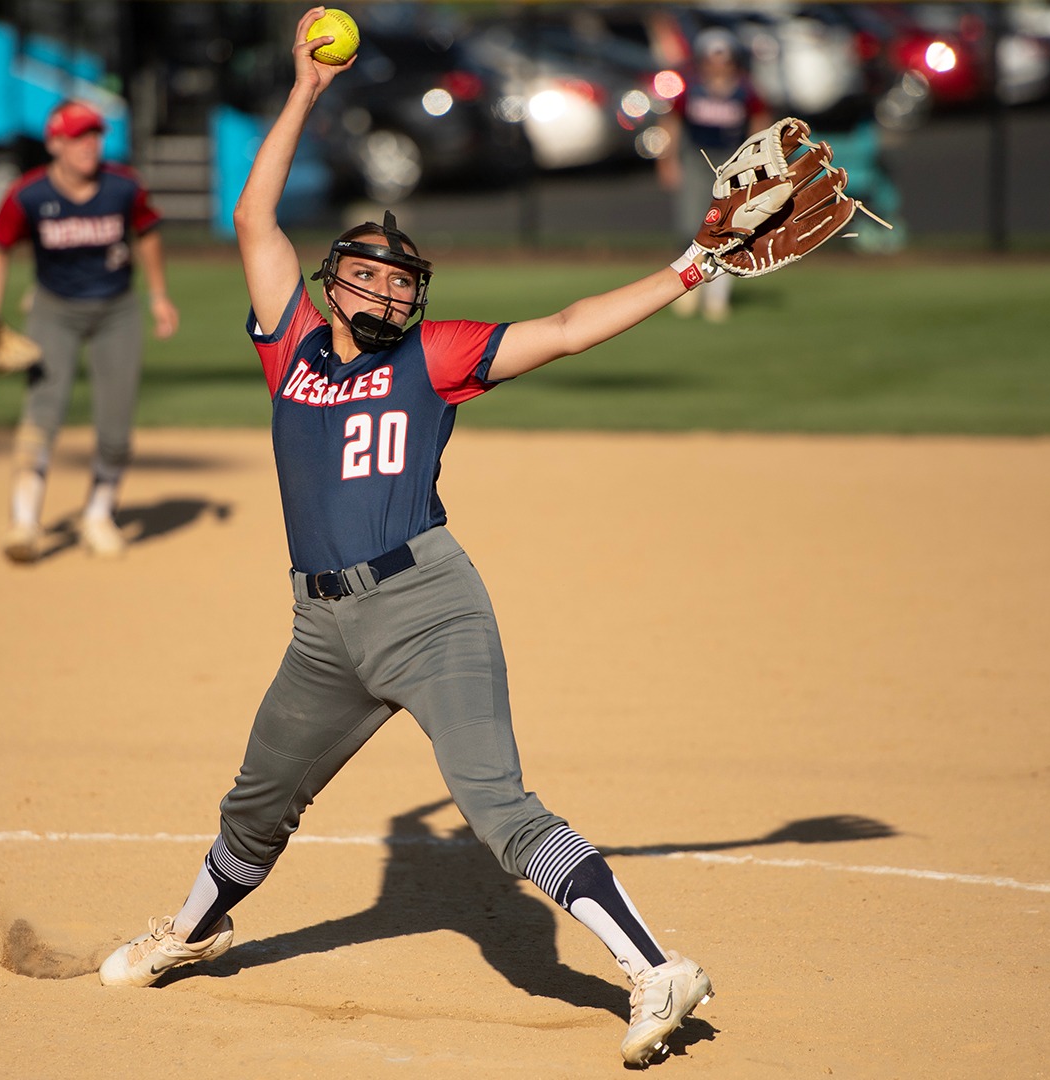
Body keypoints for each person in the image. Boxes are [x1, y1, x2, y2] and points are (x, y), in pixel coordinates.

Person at [94, 9, 738, 1067]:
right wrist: (303, 90)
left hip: (428, 606)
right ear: (331, 284)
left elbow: (569, 327)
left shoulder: (433, 358)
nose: (391, 288)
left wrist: (692, 266)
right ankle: (191, 934)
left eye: (405, 280)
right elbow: (255, 222)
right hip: (321, 629)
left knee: (499, 808)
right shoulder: (291, 350)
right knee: (258, 801)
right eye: (372, 275)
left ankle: (656, 970)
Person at [0, 100, 179, 562]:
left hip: (117, 312)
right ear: (54, 144)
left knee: (116, 426)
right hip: (53, 310)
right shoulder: (28, 194)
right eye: (77, 136)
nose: (89, 145)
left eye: (94, 135)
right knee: (43, 412)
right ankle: (24, 522)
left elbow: (147, 231)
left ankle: (97, 514)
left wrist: (159, 295)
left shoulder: (122, 186)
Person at [657, 28, 771, 322]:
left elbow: (759, 122)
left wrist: (757, 162)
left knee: (729, 231)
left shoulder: (745, 90)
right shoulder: (691, 88)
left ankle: (717, 297)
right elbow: (672, 122)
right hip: (697, 159)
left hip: (732, 163)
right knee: (691, 227)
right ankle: (685, 290)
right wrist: (667, 160)